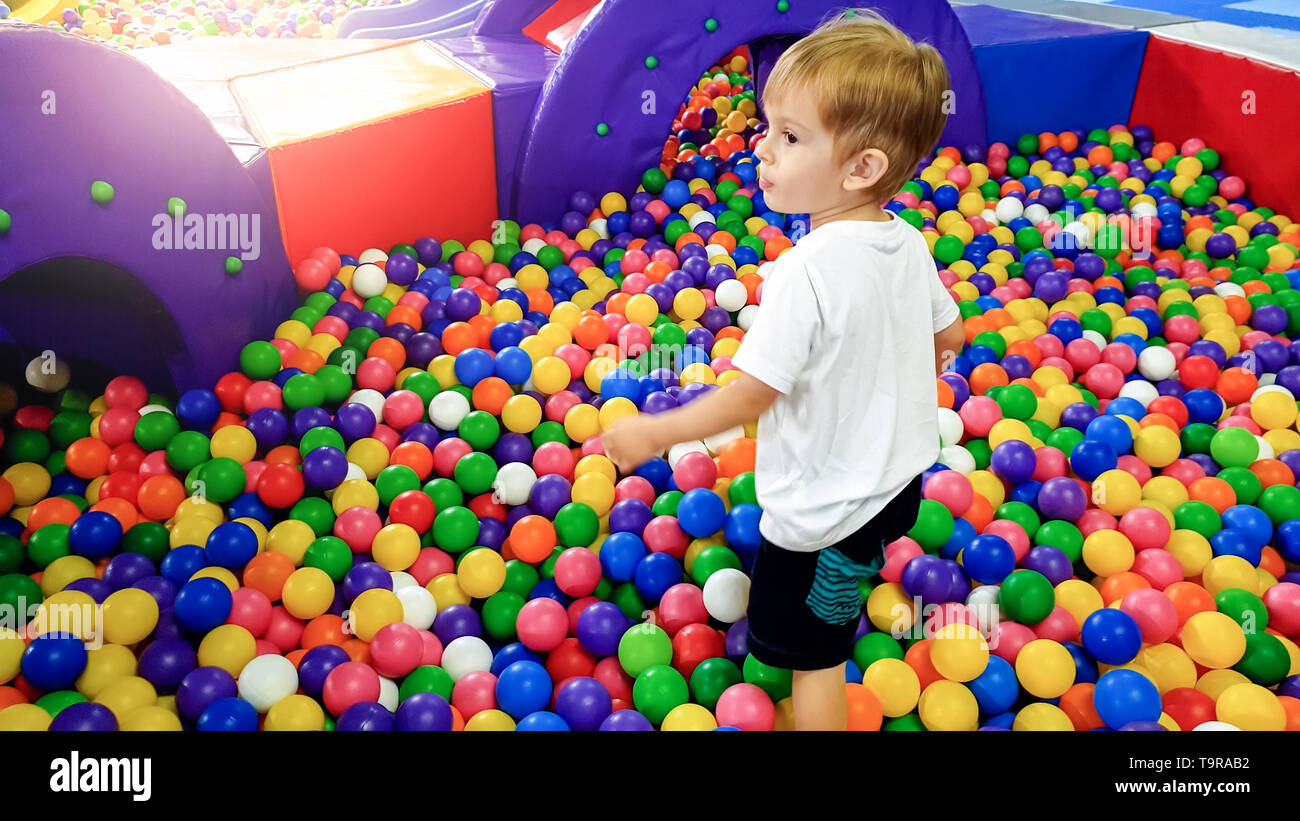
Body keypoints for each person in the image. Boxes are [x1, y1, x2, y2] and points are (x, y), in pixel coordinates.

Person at [600, 7, 967, 730]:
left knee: (814, 655)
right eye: (767, 127)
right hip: (896, 486)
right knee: (847, 577)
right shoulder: (907, 242)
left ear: (863, 167)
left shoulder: (806, 271)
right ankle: (851, 583)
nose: (760, 149)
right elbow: (947, 335)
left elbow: (749, 397)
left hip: (824, 516)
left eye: (789, 137)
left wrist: (652, 434)